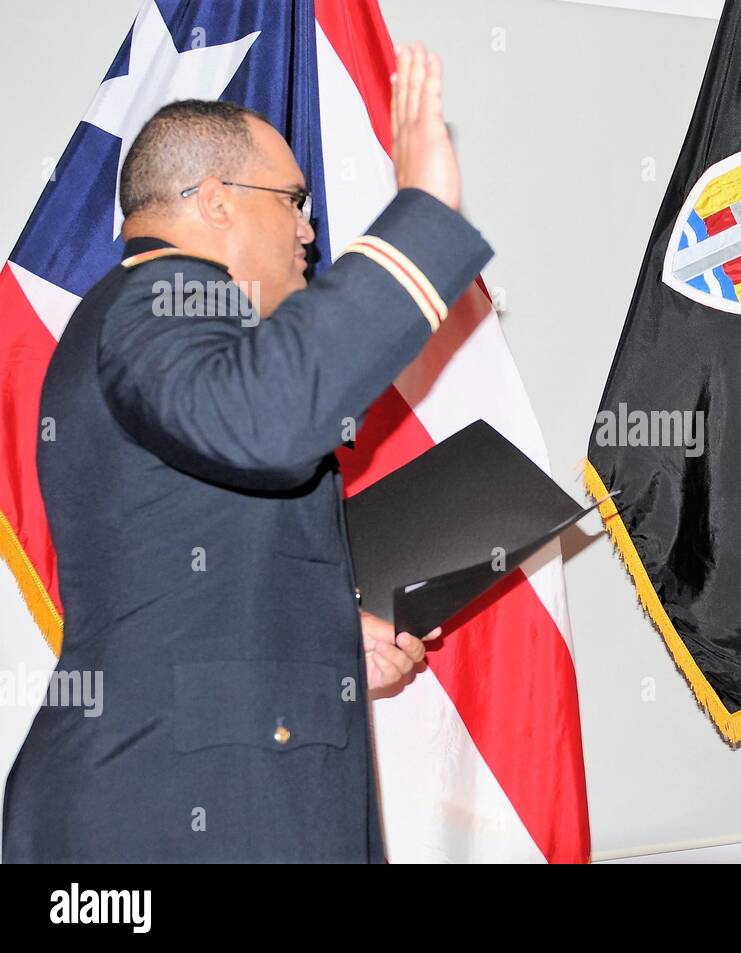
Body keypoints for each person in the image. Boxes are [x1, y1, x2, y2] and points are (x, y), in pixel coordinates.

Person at [3, 44, 488, 862]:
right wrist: (421, 218)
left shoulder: (163, 326)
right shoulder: (157, 300)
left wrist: (327, 644)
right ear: (217, 201)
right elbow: (268, 423)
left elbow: (184, 583)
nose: (310, 229)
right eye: (295, 200)